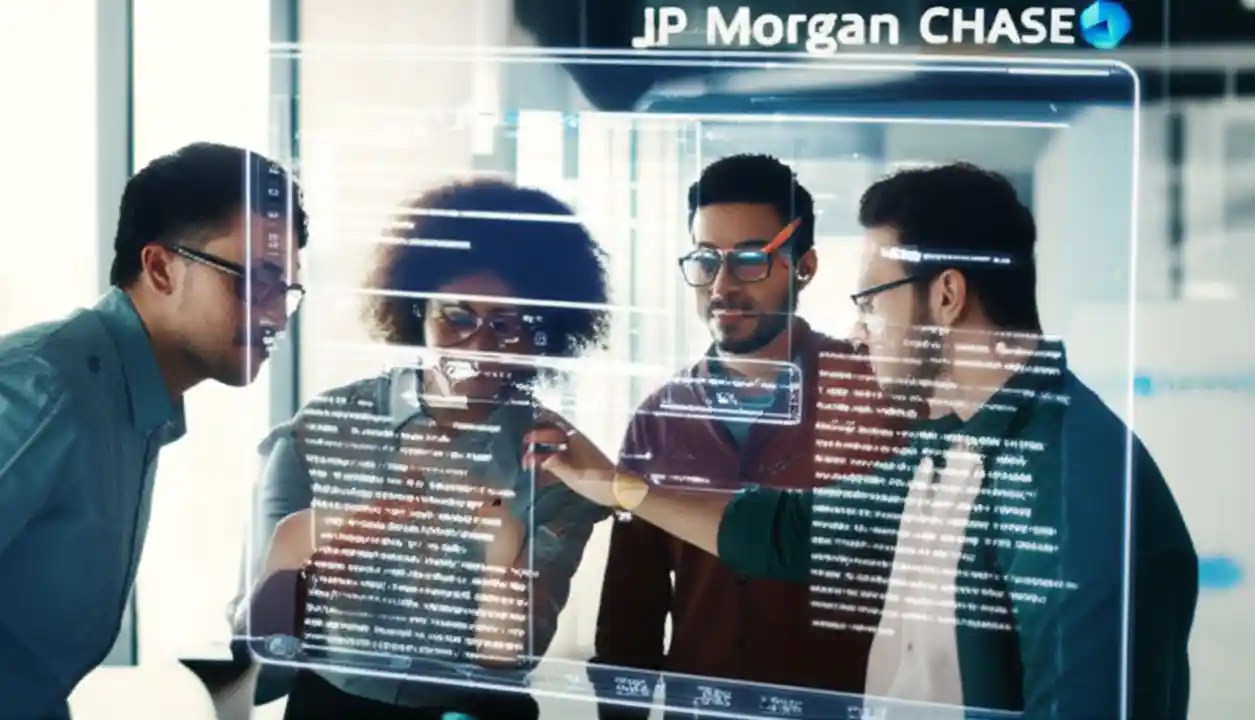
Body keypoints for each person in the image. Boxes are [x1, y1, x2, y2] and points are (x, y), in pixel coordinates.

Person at [527, 163, 1199, 718]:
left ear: (947, 296)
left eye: (871, 302)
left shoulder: (1079, 486)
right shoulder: (946, 442)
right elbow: (792, 531)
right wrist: (612, 484)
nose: (856, 334)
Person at [236, 178, 614, 720]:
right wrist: (297, 556)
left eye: (507, 325)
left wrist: (501, 541)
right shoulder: (322, 429)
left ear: (544, 334)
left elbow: (505, 659)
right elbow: (256, 656)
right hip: (331, 706)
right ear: (417, 309)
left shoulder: (559, 462)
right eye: (456, 317)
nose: (477, 345)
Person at [586, 154, 905, 719]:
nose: (723, 285)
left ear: (803, 266)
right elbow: (628, 624)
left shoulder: (878, 398)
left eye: (751, 259)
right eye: (706, 260)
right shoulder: (659, 418)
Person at [0, 141, 306, 718]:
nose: (274, 315)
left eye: (284, 290)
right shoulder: (48, 390)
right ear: (161, 267)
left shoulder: (131, 401)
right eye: (252, 282)